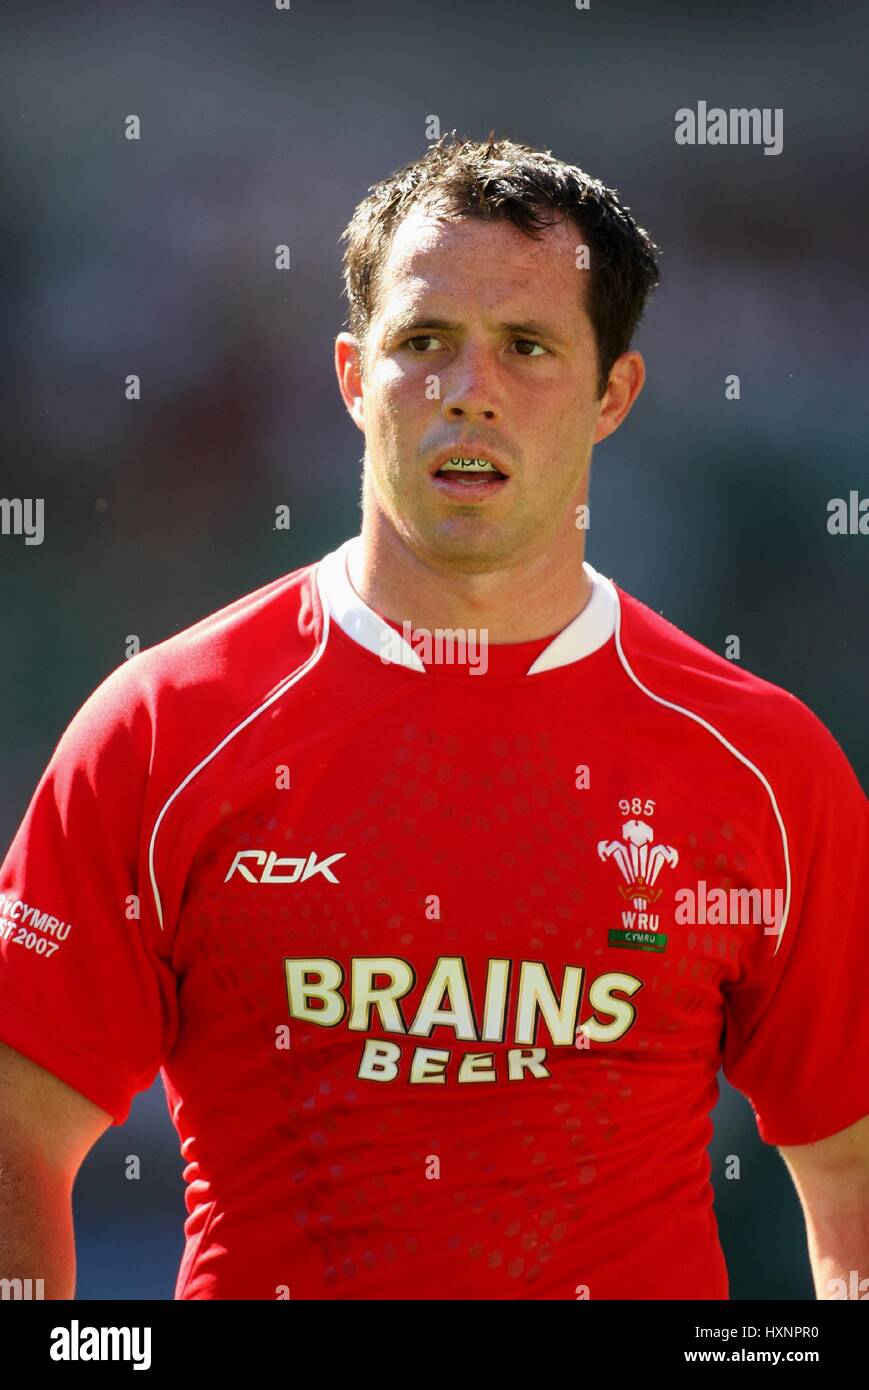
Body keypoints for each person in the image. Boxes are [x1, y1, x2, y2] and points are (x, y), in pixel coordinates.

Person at [1, 133, 866, 1301]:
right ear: (355, 379)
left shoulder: (762, 764)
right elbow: (18, 1122)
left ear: (613, 392)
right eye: (424, 343)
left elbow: (850, 1166)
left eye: (526, 347)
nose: (469, 388)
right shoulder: (163, 725)